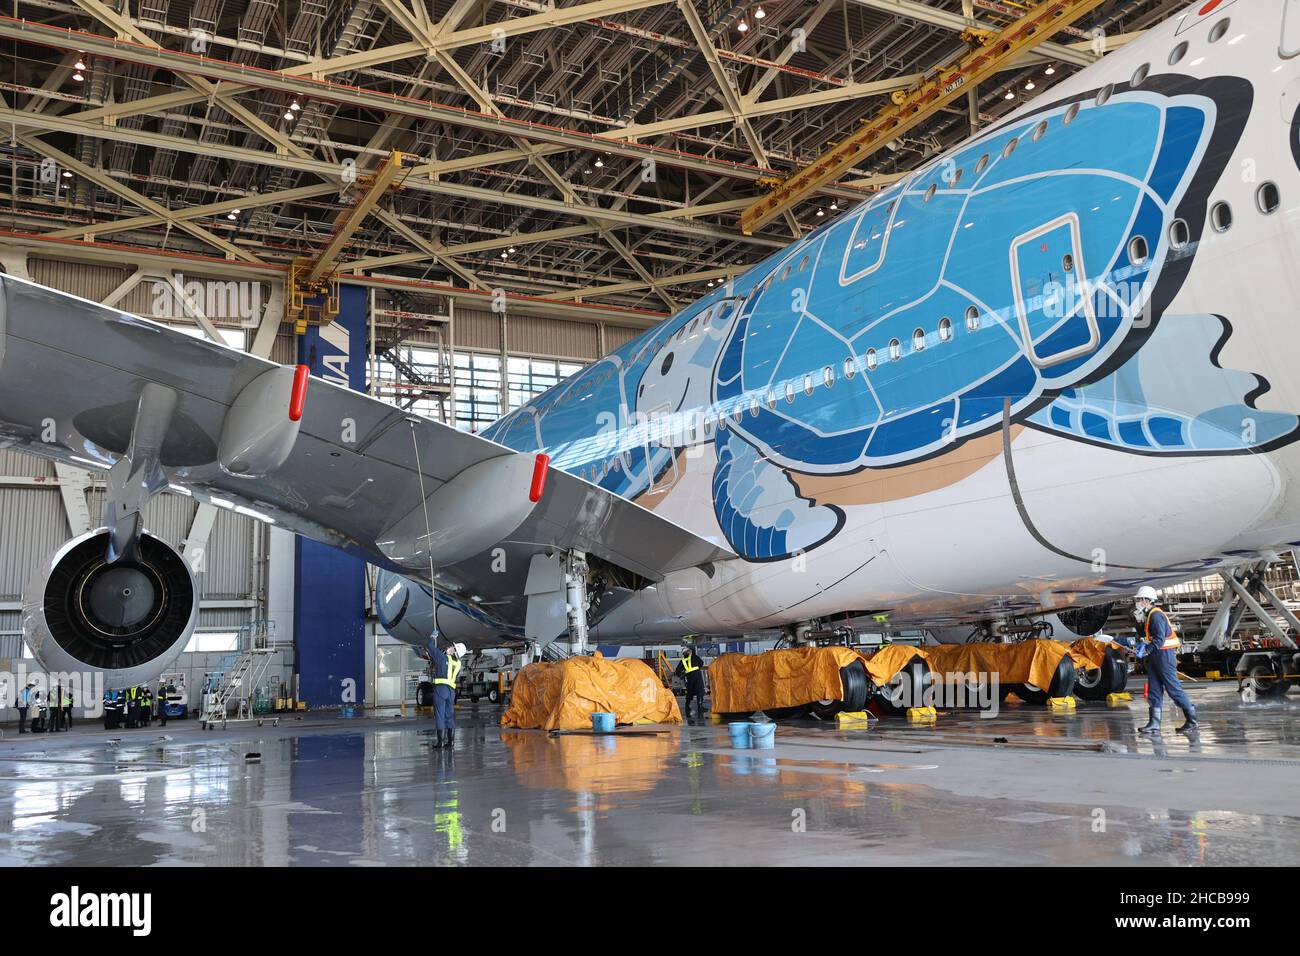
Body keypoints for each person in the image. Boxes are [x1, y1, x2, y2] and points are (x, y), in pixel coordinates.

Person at [1133, 586, 1197, 735]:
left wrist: (1147, 650)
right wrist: (1138, 621)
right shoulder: (1149, 615)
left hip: (1164, 656)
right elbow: (1146, 634)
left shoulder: (1156, 615)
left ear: (1147, 600)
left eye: (1138, 599)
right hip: (1156, 656)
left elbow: (1160, 639)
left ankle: (1192, 721)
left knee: (1173, 689)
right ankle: (1154, 723)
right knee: (1154, 690)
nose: (1136, 602)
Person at [430, 640, 464, 749]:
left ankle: (440, 743)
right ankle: (451, 742)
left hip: (441, 689)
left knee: (440, 715)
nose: (450, 647)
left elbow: (430, 646)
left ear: (454, 651)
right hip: (451, 692)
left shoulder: (443, 658)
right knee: (449, 716)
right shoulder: (458, 664)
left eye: (452, 647)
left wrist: (432, 637)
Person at [675, 642, 707, 721]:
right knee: (700, 691)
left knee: (689, 693)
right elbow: (701, 663)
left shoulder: (682, 661)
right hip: (697, 677)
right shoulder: (694, 657)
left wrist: (683, 675)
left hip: (689, 678)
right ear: (688, 652)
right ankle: (700, 707)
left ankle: (687, 707)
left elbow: (677, 671)